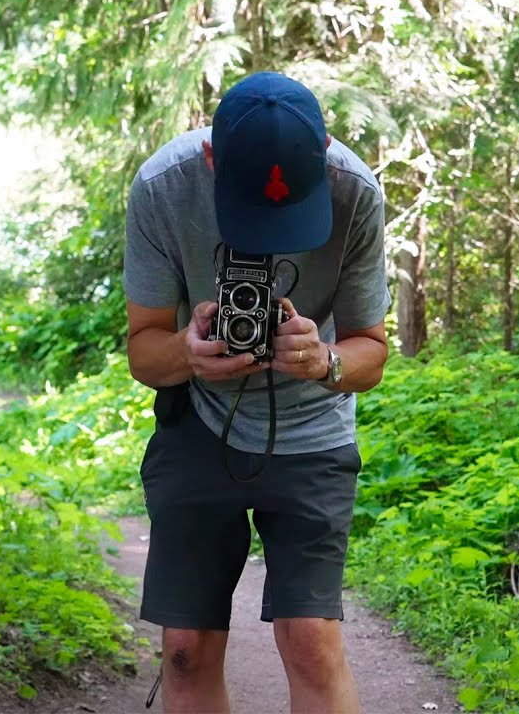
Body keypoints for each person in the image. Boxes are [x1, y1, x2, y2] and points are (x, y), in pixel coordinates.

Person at [123, 70, 390, 714]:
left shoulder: (355, 192)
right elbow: (143, 349)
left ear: (325, 151)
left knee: (310, 639)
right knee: (185, 648)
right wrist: (187, 352)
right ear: (212, 158)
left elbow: (371, 352)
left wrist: (322, 360)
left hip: (314, 430)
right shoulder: (164, 186)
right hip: (198, 424)